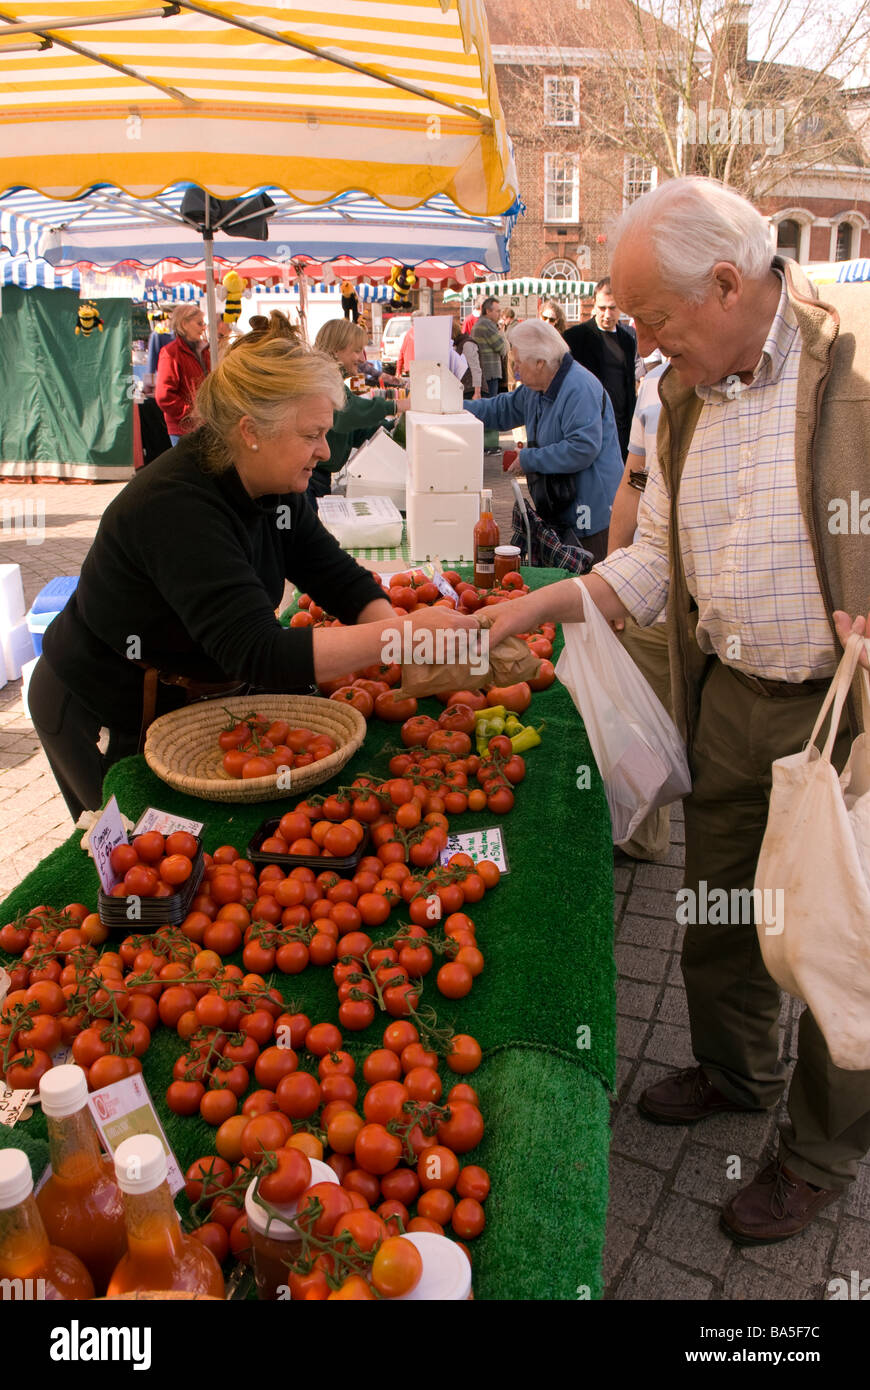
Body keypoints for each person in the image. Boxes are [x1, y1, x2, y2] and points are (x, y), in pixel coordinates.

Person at [483, 175, 870, 1246]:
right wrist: (531, 611)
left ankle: (818, 1156)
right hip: (733, 695)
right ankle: (739, 1071)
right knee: (721, 910)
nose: (637, 339)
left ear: (729, 284)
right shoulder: (684, 395)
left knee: (845, 941)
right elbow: (651, 565)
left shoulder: (854, 365)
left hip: (847, 719)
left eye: (651, 316)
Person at [29, 323, 474, 823]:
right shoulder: (177, 507)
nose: (325, 451)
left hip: (188, 701)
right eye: (312, 435)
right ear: (250, 431)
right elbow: (258, 651)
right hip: (102, 705)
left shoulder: (273, 480)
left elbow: (332, 573)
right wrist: (402, 635)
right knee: (133, 857)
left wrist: (392, 633)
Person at [464, 318, 622, 562]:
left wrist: (528, 459)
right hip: (562, 509)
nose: (515, 371)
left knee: (588, 584)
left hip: (589, 515)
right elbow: (500, 409)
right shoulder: (536, 388)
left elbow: (582, 448)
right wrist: (454, 409)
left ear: (540, 362)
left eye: (518, 364)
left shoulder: (579, 387)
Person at [607, 358, 671, 860]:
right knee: (643, 725)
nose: (642, 342)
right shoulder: (652, 385)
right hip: (655, 602)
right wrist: (613, 575)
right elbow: (633, 482)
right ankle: (642, 834)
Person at [309, 319, 410, 503]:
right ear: (335, 351)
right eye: (356, 351)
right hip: (310, 479)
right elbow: (347, 413)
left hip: (318, 477)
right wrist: (396, 406)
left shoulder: (332, 380)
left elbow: (353, 430)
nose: (362, 358)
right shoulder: (322, 381)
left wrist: (390, 427)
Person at [564, 277, 637, 459]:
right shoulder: (575, 337)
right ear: (594, 304)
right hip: (588, 425)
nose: (606, 314)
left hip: (620, 426)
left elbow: (628, 385)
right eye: (602, 308)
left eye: (612, 308)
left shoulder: (628, 339)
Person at [154, 305, 211, 444]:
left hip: (204, 425)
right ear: (184, 324)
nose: (203, 327)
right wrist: (190, 413)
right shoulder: (171, 353)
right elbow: (164, 396)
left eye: (203, 323)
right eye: (199, 323)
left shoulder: (205, 350)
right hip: (184, 430)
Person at [471, 297, 508, 399]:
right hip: (490, 373)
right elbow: (502, 348)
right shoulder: (487, 325)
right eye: (497, 311)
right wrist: (501, 331)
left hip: (483, 372)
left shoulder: (479, 324)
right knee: (490, 406)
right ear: (488, 311)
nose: (499, 314)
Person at [452, 321, 481, 400]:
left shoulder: (467, 344)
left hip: (471, 389)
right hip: (467, 387)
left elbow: (475, 368)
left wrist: (477, 392)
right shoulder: (459, 344)